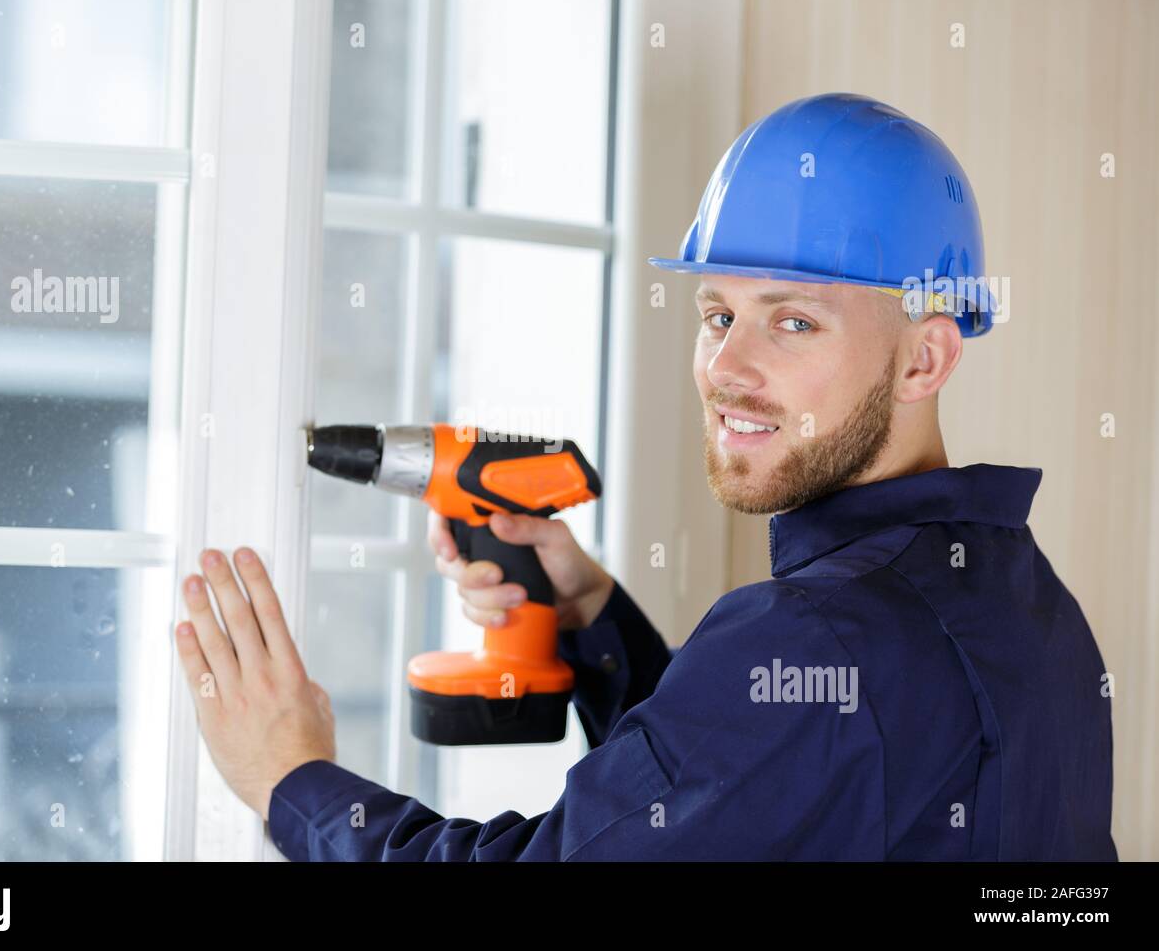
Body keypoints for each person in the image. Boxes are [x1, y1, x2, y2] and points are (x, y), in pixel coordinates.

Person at [173, 94, 1117, 860]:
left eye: (793, 322)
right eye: (717, 315)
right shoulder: (1028, 607)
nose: (726, 369)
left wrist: (289, 780)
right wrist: (589, 612)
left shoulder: (815, 636)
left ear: (923, 360)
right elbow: (744, 802)